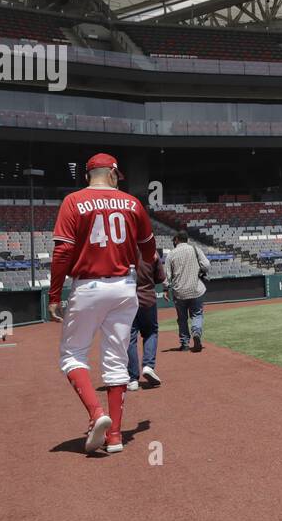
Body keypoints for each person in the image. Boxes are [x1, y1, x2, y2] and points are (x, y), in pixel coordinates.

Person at [49, 153, 156, 454]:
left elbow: (61, 253)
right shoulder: (132, 203)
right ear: (112, 173)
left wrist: (54, 294)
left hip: (88, 285)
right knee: (116, 360)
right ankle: (116, 437)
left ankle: (97, 414)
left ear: (87, 176)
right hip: (124, 287)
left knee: (72, 355)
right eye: (117, 176)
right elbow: (149, 250)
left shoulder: (73, 201)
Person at [126, 248, 166, 390]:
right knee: (150, 332)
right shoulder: (150, 251)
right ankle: (148, 366)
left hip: (127, 300)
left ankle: (133, 379)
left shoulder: (123, 249)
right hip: (147, 298)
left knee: (130, 338)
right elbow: (160, 277)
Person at [164, 230, 208, 352]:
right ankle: (196, 333)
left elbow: (167, 274)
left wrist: (166, 289)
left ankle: (184, 343)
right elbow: (206, 265)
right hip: (195, 289)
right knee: (197, 314)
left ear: (177, 240)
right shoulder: (195, 249)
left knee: (182, 319)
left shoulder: (171, 254)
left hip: (180, 292)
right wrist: (201, 270)